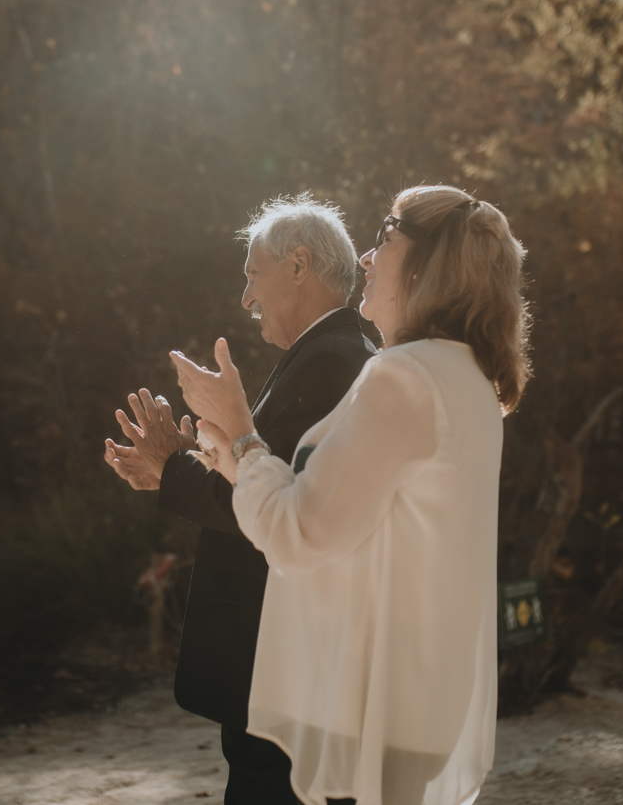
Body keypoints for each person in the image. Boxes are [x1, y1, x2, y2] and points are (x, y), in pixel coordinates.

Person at [172, 185, 530, 805]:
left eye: (385, 237)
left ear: (424, 263)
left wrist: (241, 429)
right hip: (423, 701)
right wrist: (223, 448)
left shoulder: (405, 377)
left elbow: (297, 534)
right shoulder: (469, 378)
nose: (366, 256)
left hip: (371, 706)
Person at [103, 193, 377, 805]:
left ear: (299, 265)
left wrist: (173, 467)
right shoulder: (329, 354)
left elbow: (274, 507)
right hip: (291, 659)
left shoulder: (330, 364)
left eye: (254, 274)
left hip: (286, 658)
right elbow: (263, 476)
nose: (246, 297)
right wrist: (182, 464)